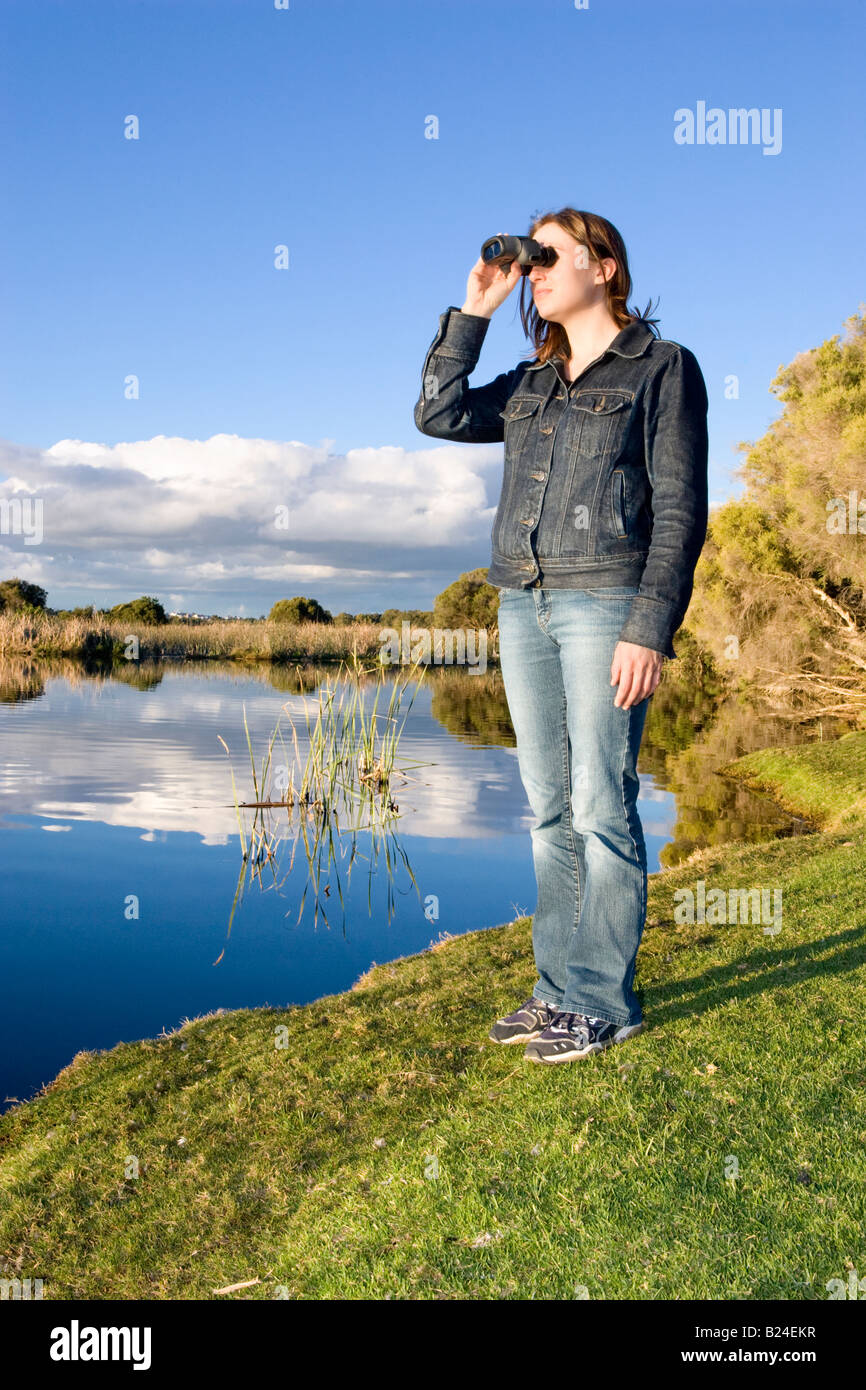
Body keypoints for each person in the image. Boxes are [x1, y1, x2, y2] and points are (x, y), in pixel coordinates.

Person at [414, 207, 709, 1064]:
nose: (533, 269)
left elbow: (680, 508)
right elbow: (436, 414)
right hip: (523, 603)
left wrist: (649, 626)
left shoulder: (662, 367)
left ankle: (604, 1001)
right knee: (547, 809)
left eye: (549, 255)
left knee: (600, 805)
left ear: (606, 267)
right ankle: (557, 990)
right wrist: (472, 310)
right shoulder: (528, 383)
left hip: (607, 600)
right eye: (527, 258)